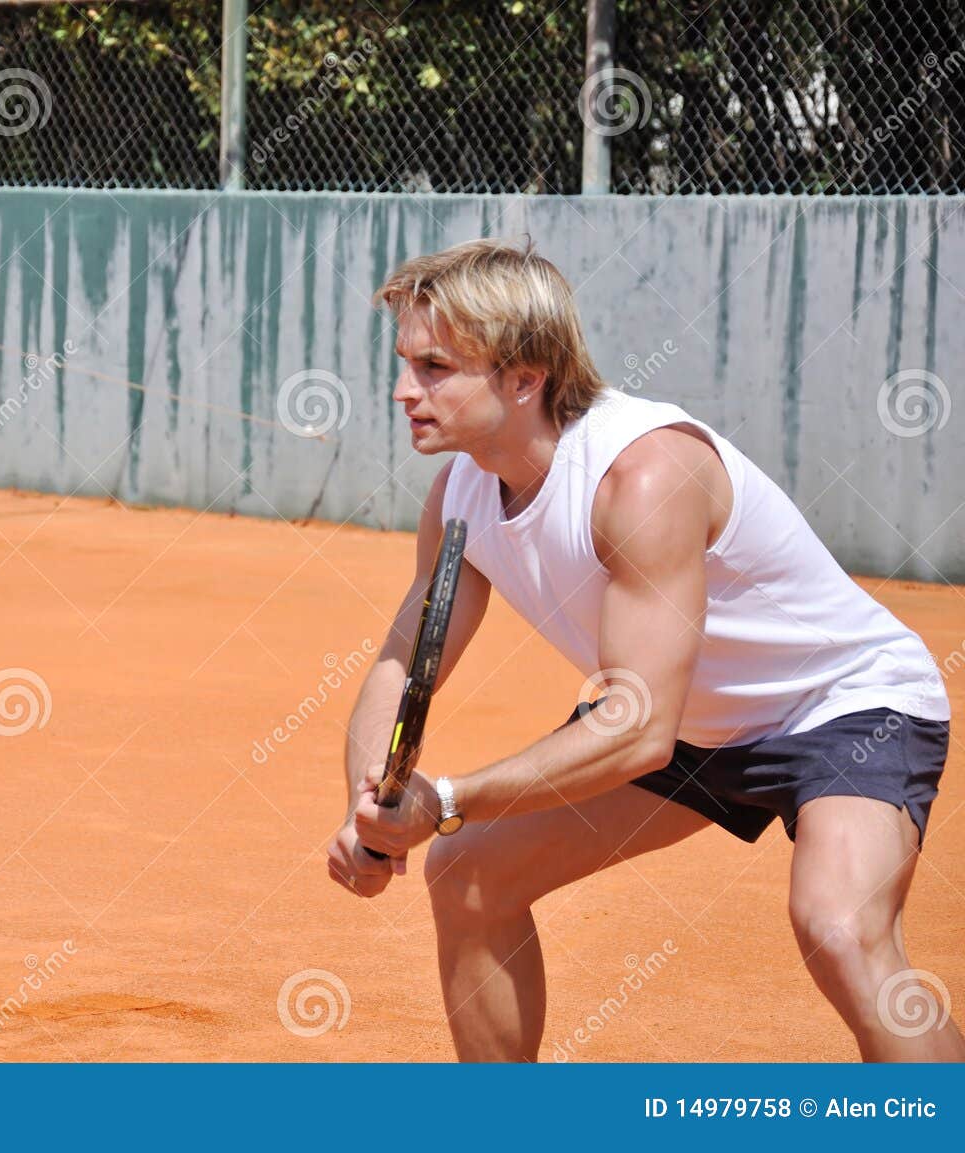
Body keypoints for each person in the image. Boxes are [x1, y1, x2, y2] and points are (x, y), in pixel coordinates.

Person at [328, 237, 960, 1062]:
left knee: (841, 928)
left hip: (841, 708)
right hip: (689, 722)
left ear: (525, 378)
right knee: (470, 874)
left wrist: (443, 802)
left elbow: (637, 728)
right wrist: (369, 812)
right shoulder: (460, 493)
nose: (403, 390)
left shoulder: (645, 473)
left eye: (436, 367)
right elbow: (403, 661)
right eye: (406, 361)